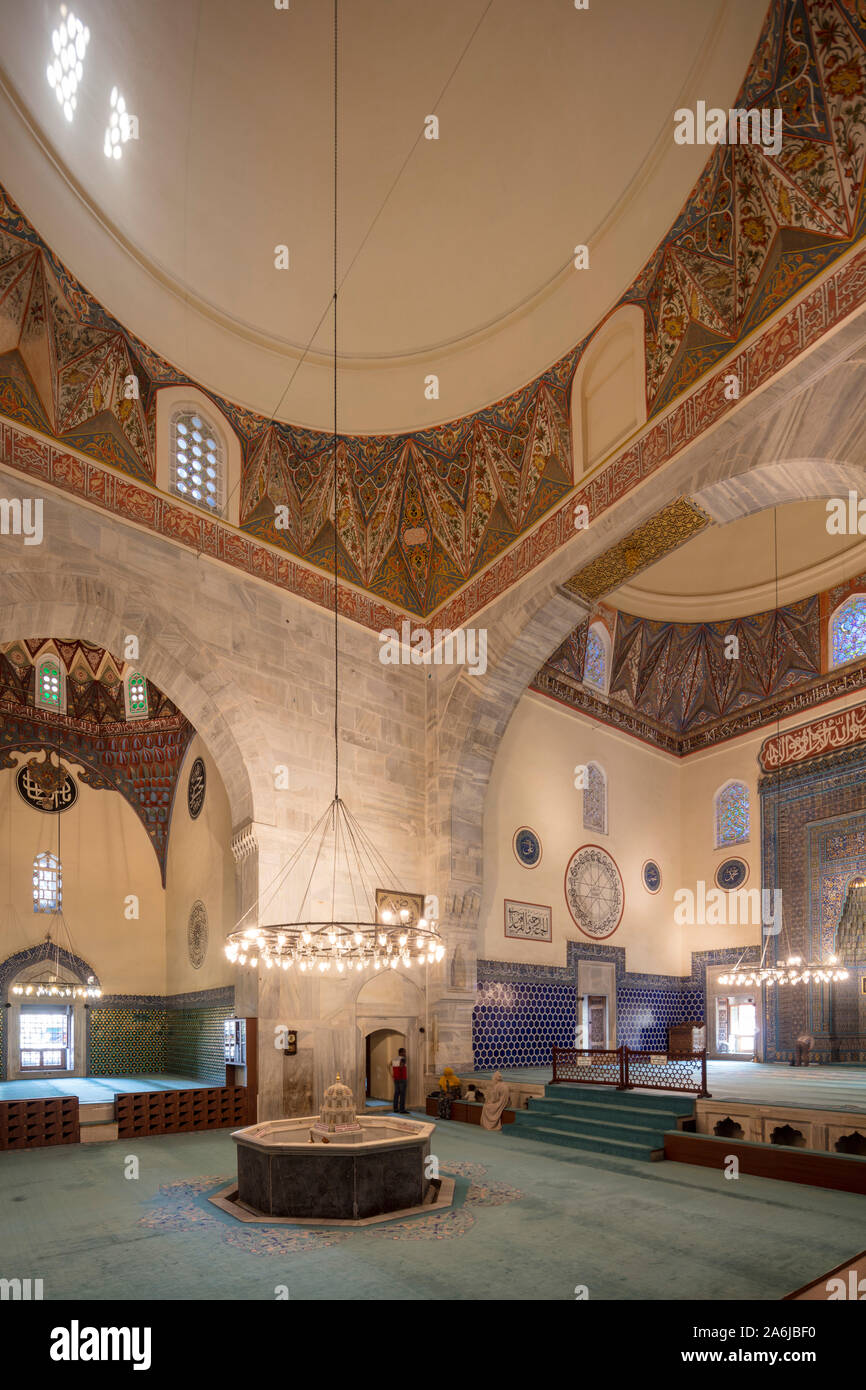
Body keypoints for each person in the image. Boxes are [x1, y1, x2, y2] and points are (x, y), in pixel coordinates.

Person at [391, 1046, 408, 1113]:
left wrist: (392, 1075)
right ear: (401, 1052)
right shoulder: (403, 1059)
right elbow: (401, 1067)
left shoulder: (394, 1059)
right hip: (402, 1079)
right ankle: (402, 1109)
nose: (405, 1053)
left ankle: (395, 1109)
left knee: (396, 1094)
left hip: (396, 1078)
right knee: (402, 1094)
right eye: (404, 1052)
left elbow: (388, 1065)